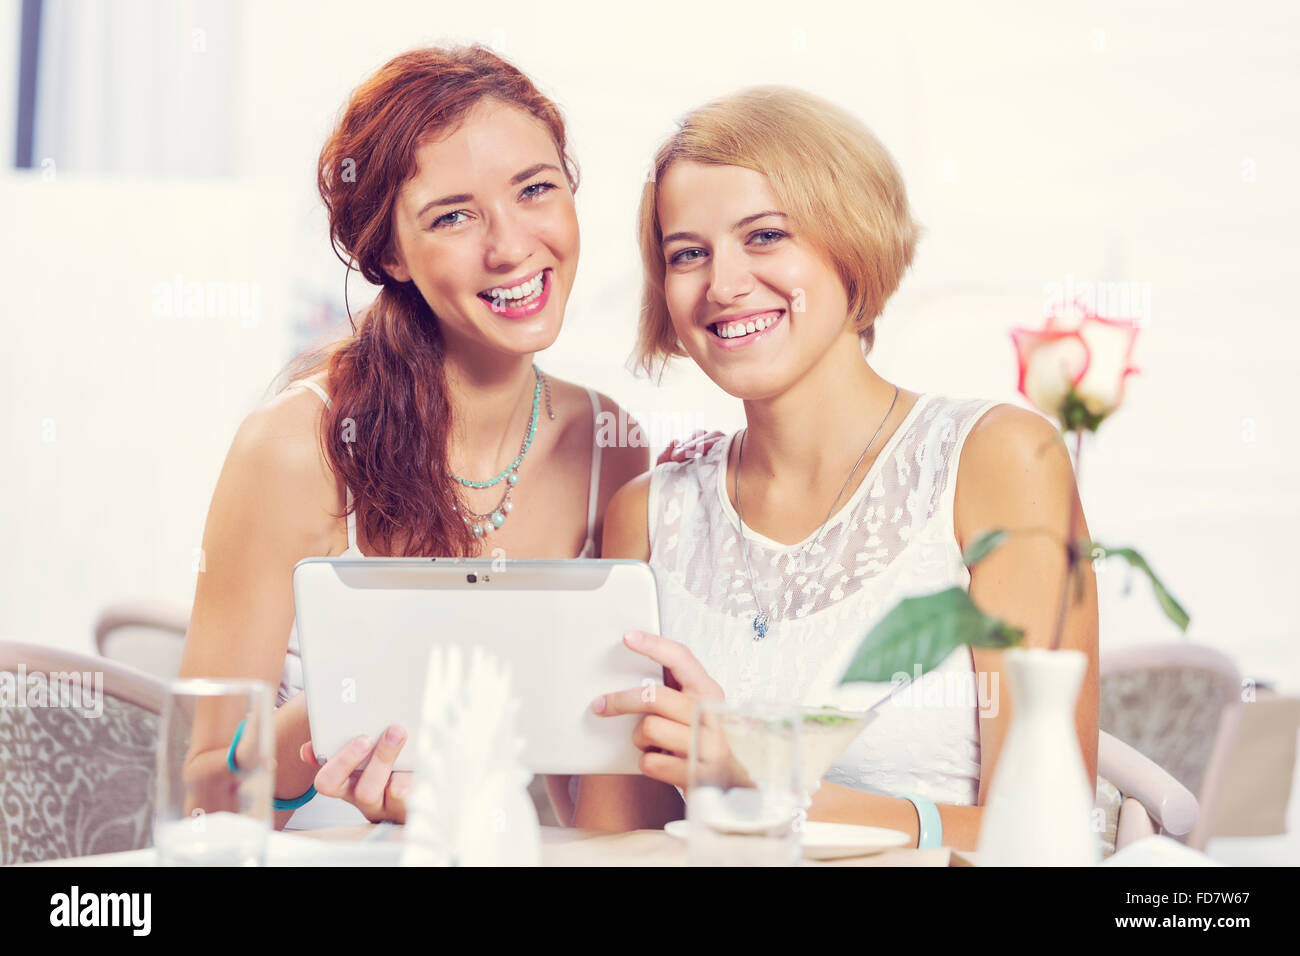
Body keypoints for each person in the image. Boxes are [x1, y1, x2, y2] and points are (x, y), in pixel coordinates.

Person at [178, 45, 714, 829]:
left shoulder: (608, 446)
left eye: (535, 190)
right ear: (391, 252)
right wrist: (346, 715)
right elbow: (201, 791)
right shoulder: (300, 445)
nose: (510, 245)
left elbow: (589, 794)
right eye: (454, 216)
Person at [573, 87, 1100, 852]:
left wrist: (763, 774)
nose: (722, 284)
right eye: (688, 253)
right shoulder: (646, 514)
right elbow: (614, 844)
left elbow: (1051, 836)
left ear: (849, 243)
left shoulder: (997, 461)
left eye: (764, 236)